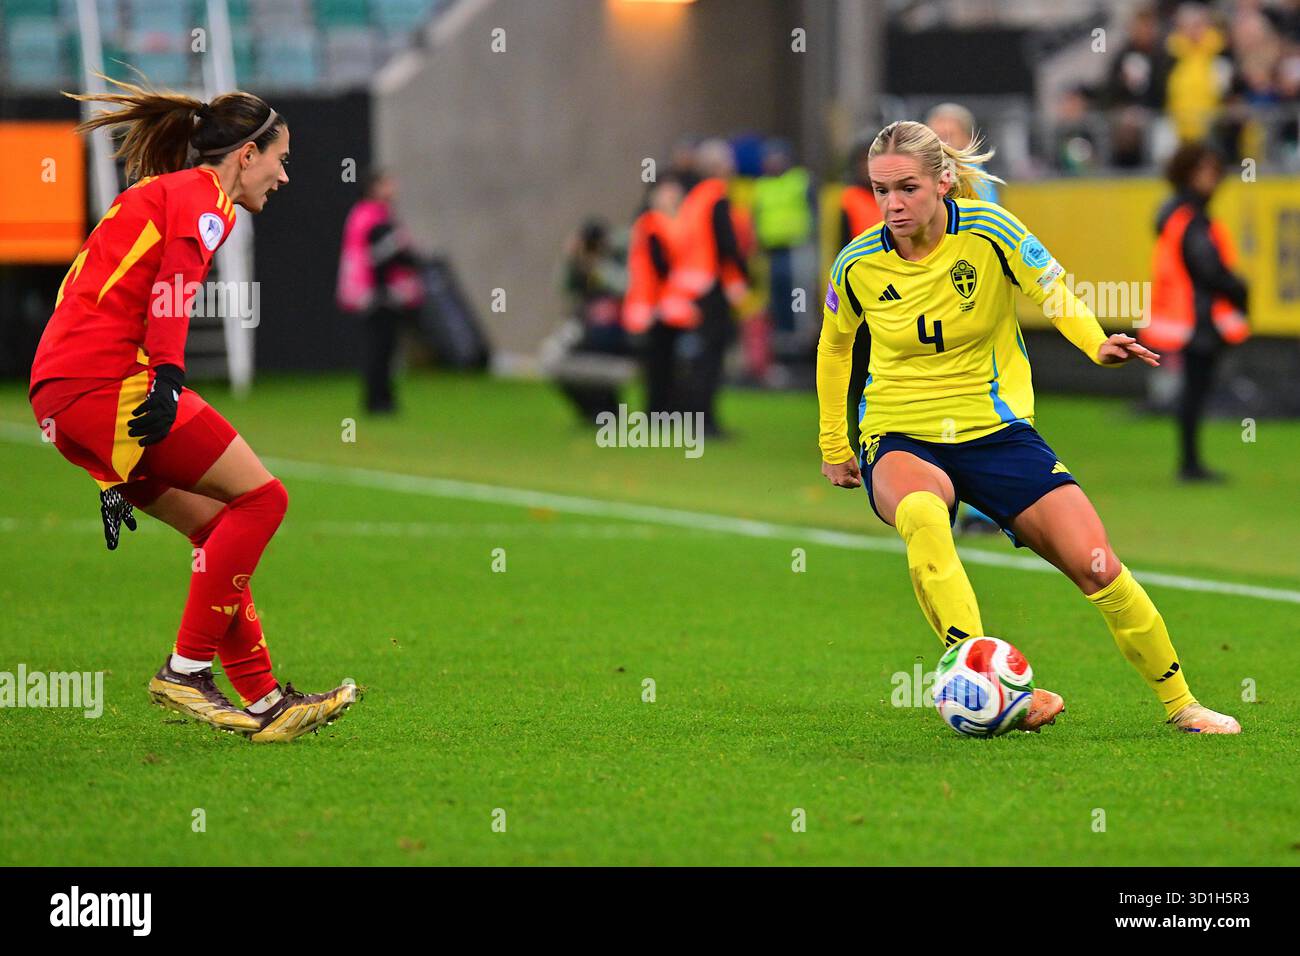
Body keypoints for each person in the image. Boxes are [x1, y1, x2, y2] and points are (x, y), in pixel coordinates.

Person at [816, 120, 1240, 734]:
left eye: (907, 188)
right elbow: (834, 348)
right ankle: (985, 682)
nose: (892, 204)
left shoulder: (990, 232)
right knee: (926, 518)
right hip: (899, 432)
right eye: (881, 190)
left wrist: (1096, 343)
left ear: (943, 182)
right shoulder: (858, 263)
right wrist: (835, 442)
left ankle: (1183, 704)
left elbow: (1053, 291)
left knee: (1097, 564)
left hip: (996, 431)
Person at [29, 76, 357, 743]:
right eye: (280, 159)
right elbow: (174, 287)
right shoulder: (206, 199)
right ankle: (185, 670)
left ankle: (266, 701)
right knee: (263, 500)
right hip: (105, 380)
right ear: (246, 155)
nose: (284, 176)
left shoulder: (165, 193)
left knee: (215, 528)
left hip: (63, 390)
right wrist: (169, 378)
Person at [1142, 142, 1249, 481]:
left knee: (1193, 388)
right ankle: (1190, 464)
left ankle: (1190, 462)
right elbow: (1208, 269)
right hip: (1196, 317)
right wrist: (1239, 289)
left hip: (1188, 316)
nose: (1212, 178)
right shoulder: (1191, 218)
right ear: (1188, 173)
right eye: (1205, 170)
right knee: (1195, 389)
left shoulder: (1177, 214)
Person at [660, 139, 749, 437]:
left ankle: (692, 417)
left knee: (696, 356)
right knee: (710, 357)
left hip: (690, 284)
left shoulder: (695, 197)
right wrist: (745, 274)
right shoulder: (716, 197)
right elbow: (727, 244)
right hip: (711, 285)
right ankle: (705, 422)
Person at [337, 169, 424, 414]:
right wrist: (385, 290)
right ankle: (379, 402)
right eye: (387, 184)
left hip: (368, 293)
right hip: (378, 295)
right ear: (374, 188)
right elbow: (385, 257)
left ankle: (380, 399)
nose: (393, 188)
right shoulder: (374, 218)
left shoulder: (363, 215)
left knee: (380, 348)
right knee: (381, 349)